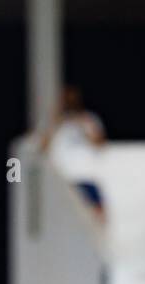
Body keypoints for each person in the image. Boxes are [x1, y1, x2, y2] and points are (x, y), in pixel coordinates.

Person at [42, 86, 107, 215]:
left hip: (84, 175)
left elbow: (100, 144)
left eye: (73, 99)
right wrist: (55, 124)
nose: (70, 102)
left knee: (96, 211)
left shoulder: (89, 119)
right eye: (66, 99)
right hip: (61, 177)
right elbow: (43, 147)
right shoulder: (54, 122)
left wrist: (82, 123)